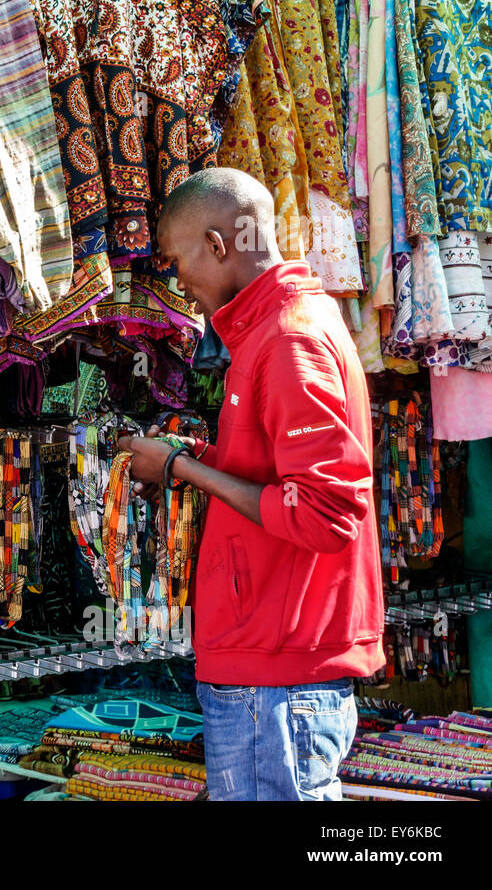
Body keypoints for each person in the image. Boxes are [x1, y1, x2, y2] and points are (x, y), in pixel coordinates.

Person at [117, 167, 385, 800]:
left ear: (217, 245)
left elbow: (325, 512)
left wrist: (182, 469)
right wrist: (196, 453)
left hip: (279, 670)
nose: (180, 286)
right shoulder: (277, 330)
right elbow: (277, 472)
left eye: (179, 264)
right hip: (271, 664)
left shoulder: (290, 341)